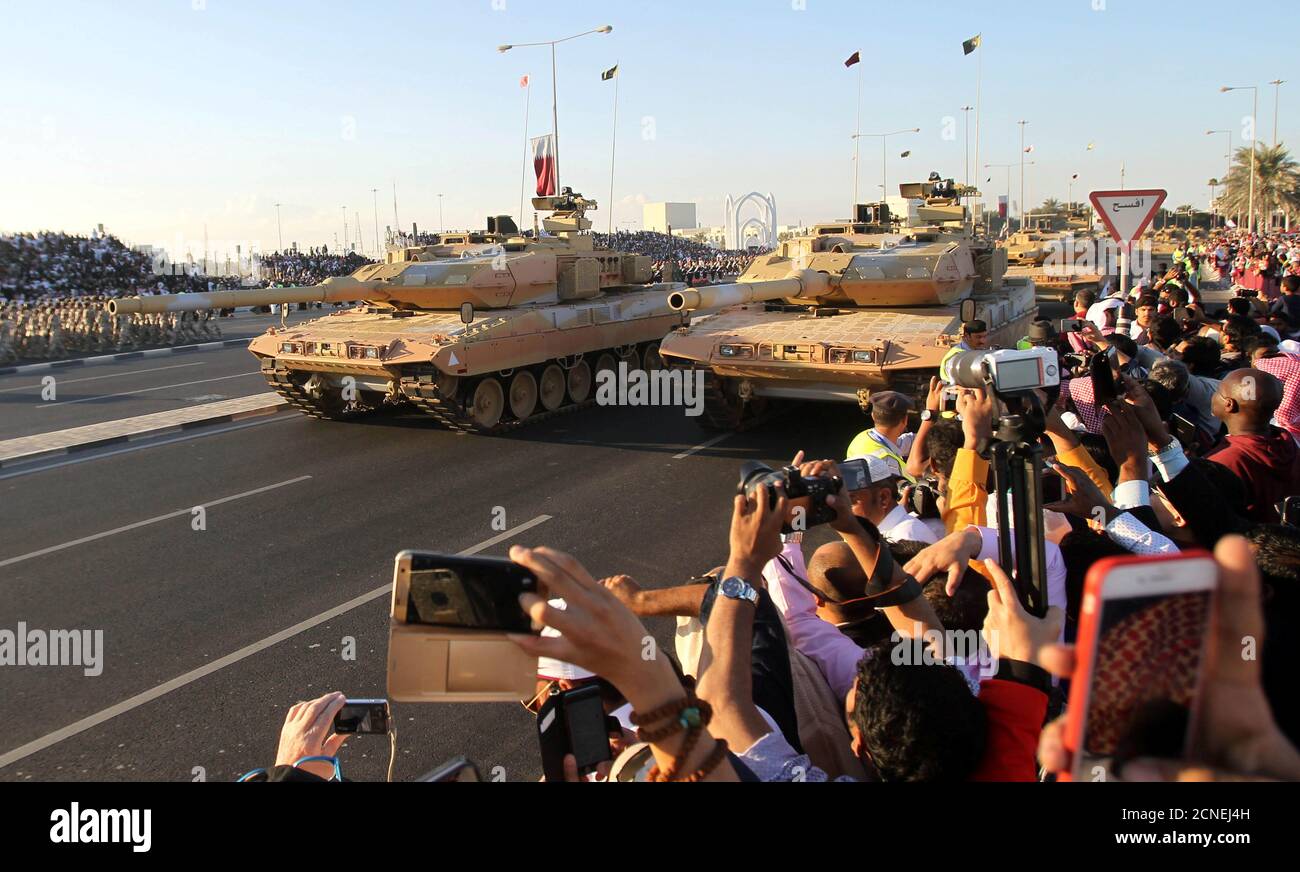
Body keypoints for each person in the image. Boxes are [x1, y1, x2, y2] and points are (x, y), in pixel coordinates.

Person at [1204, 368, 1300, 523]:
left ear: (1229, 405)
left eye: (1217, 391)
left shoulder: (1225, 460)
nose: (1213, 395)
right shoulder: (1288, 443)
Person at [846, 390, 915, 479]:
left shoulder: (863, 438)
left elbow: (901, 443)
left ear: (873, 416)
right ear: (905, 420)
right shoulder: (888, 461)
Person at [940, 319, 988, 384]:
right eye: (978, 337)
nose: (983, 341)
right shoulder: (956, 357)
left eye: (984, 336)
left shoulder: (978, 351)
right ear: (967, 335)